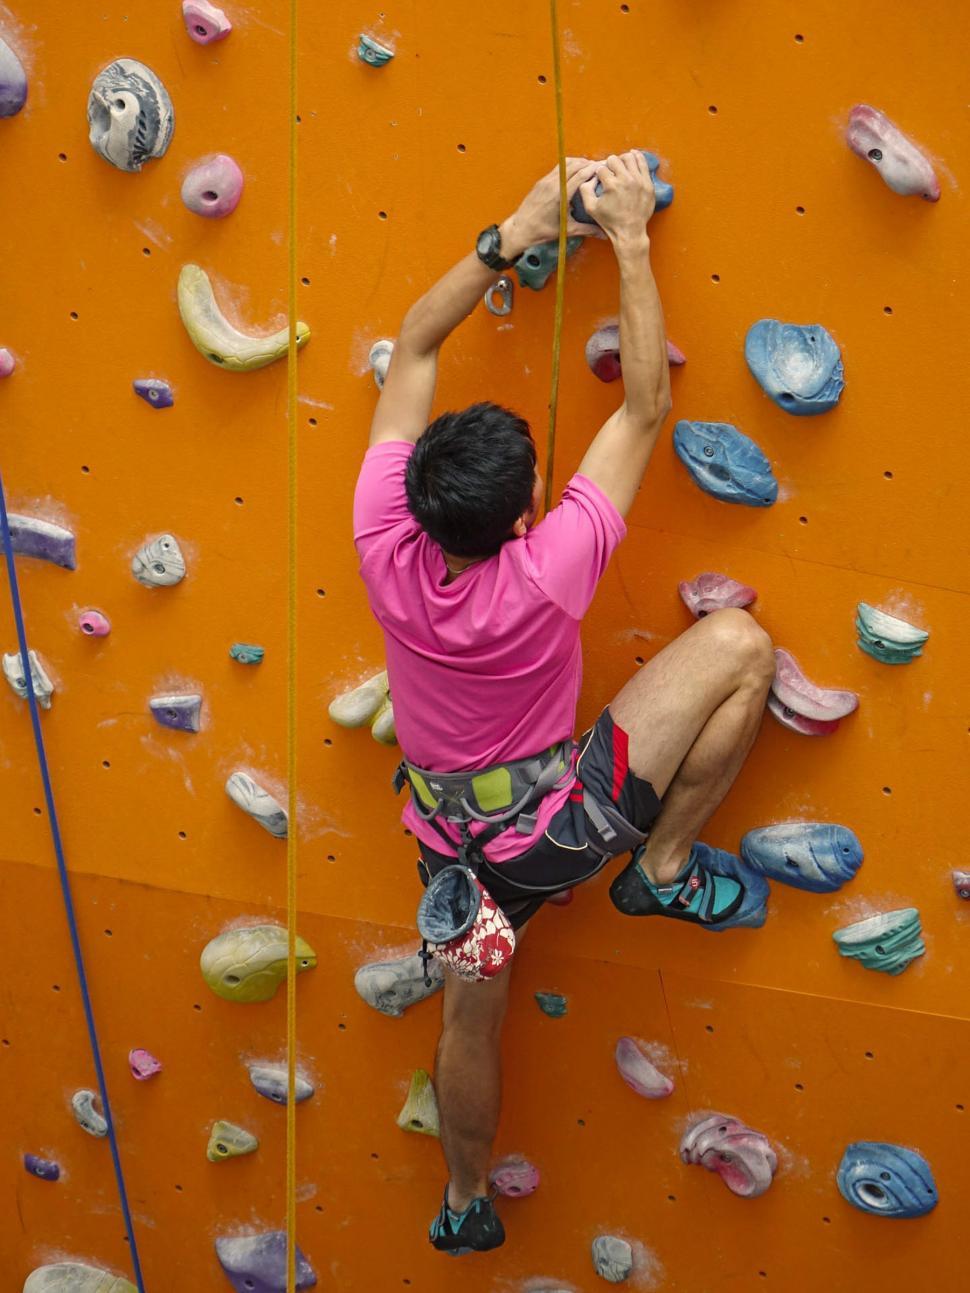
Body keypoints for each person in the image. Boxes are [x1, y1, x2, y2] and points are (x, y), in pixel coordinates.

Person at [352, 152, 776, 1257]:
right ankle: (667, 869)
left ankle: (462, 1201)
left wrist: (511, 230)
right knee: (738, 647)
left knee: (470, 1013)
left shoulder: (383, 545)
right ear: (531, 503)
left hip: (453, 845)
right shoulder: (549, 569)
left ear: (417, 497)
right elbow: (646, 407)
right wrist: (625, 237)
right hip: (557, 823)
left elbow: (410, 346)